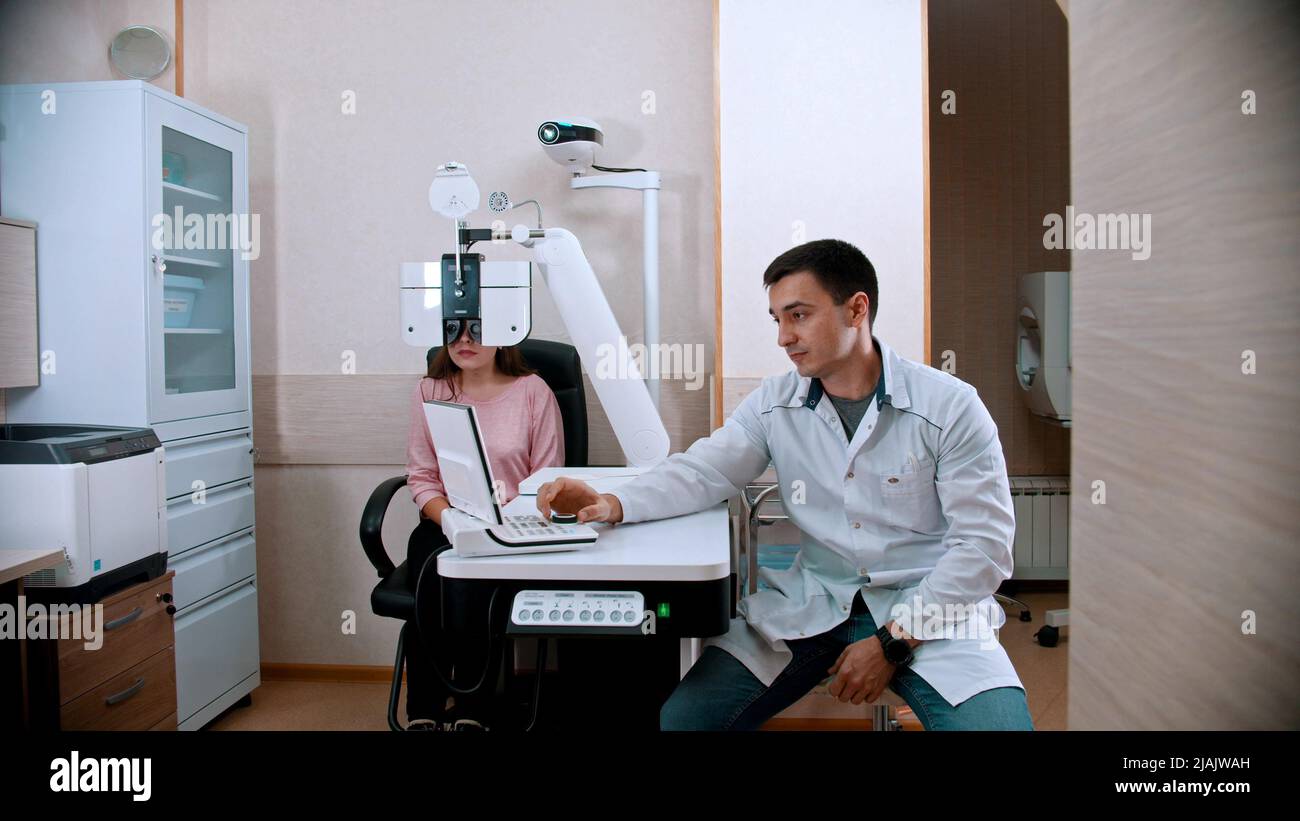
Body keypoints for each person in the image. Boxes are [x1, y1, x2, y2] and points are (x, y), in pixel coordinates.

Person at [537, 238, 1034, 731]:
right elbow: (704, 471)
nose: (783, 337)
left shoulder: (950, 407)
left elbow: (984, 548)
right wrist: (611, 501)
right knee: (686, 720)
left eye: (798, 315)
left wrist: (892, 641)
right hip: (814, 600)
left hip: (931, 610)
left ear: (856, 309)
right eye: (777, 319)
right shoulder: (774, 403)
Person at [403, 322, 565, 728]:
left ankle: (474, 712)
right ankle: (424, 712)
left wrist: (499, 524)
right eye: (453, 329)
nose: (464, 340)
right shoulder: (431, 391)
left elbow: (548, 480)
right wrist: (452, 520)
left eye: (476, 329)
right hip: (446, 522)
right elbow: (422, 475)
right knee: (429, 576)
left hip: (513, 526)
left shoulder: (533, 392)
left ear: (502, 329)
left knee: (471, 585)